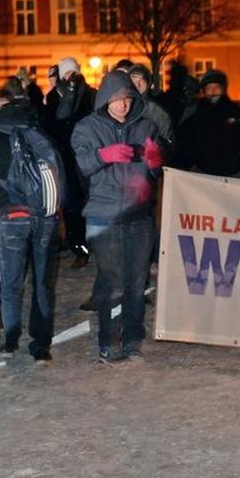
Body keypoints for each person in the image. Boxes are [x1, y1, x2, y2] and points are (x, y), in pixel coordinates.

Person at [0, 78, 68, 360]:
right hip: (45, 216)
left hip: (12, 215)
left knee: (12, 282)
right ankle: (41, 346)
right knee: (42, 283)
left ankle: (10, 340)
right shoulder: (39, 130)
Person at [71, 72, 163, 363]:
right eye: (116, 99)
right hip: (104, 216)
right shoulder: (87, 127)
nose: (122, 105)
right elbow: (83, 165)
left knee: (137, 282)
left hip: (139, 215)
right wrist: (103, 155)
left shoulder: (145, 126)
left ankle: (133, 338)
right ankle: (108, 342)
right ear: (104, 99)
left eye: (126, 99)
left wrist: (156, 161)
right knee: (113, 283)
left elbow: (157, 171)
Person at [46, 58, 96, 265]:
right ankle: (76, 244)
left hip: (85, 153)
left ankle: (89, 243)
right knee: (69, 203)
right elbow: (53, 122)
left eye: (72, 73)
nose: (70, 77)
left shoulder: (91, 94)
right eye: (66, 74)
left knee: (86, 200)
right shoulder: (54, 96)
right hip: (64, 155)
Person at [177, 70, 240, 178]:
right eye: (209, 88)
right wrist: (190, 167)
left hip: (231, 174)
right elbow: (181, 140)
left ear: (223, 89)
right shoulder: (193, 112)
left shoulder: (236, 113)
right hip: (199, 175)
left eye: (217, 87)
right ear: (203, 91)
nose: (213, 91)